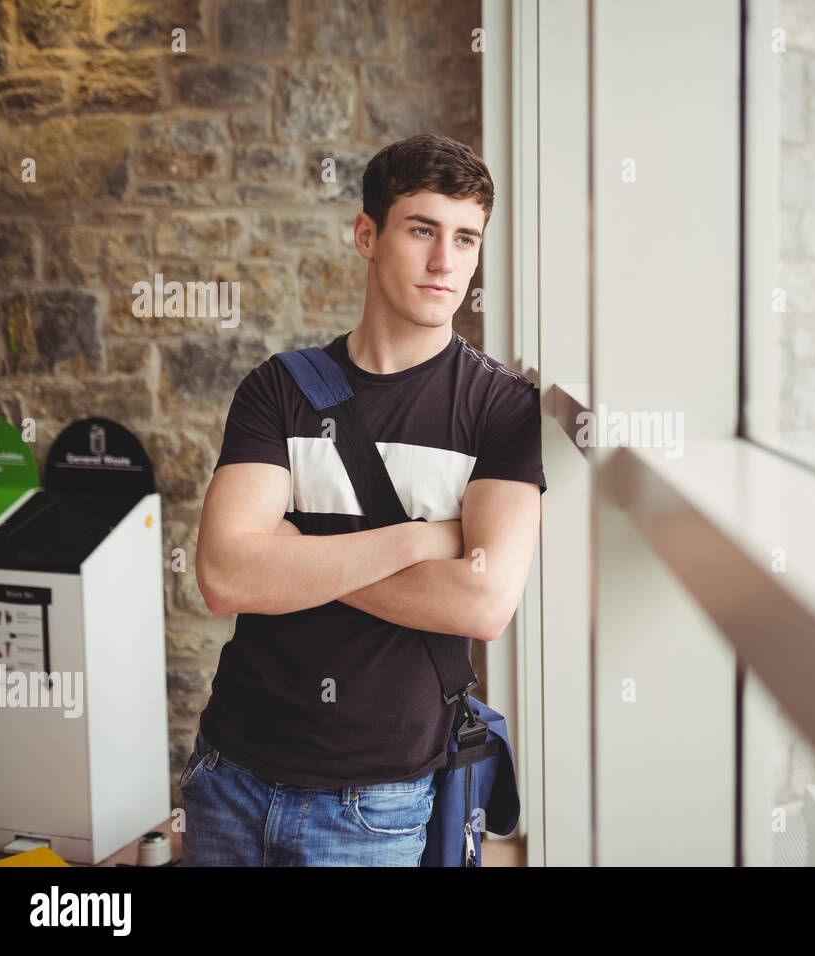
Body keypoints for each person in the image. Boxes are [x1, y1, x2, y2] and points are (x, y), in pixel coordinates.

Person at [184, 133, 546, 866]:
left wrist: (295, 557)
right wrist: (419, 541)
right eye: (422, 231)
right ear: (366, 235)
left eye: (466, 239)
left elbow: (481, 605)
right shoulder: (278, 390)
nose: (446, 262)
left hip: (375, 802)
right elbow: (225, 578)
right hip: (229, 774)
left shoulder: (502, 410)